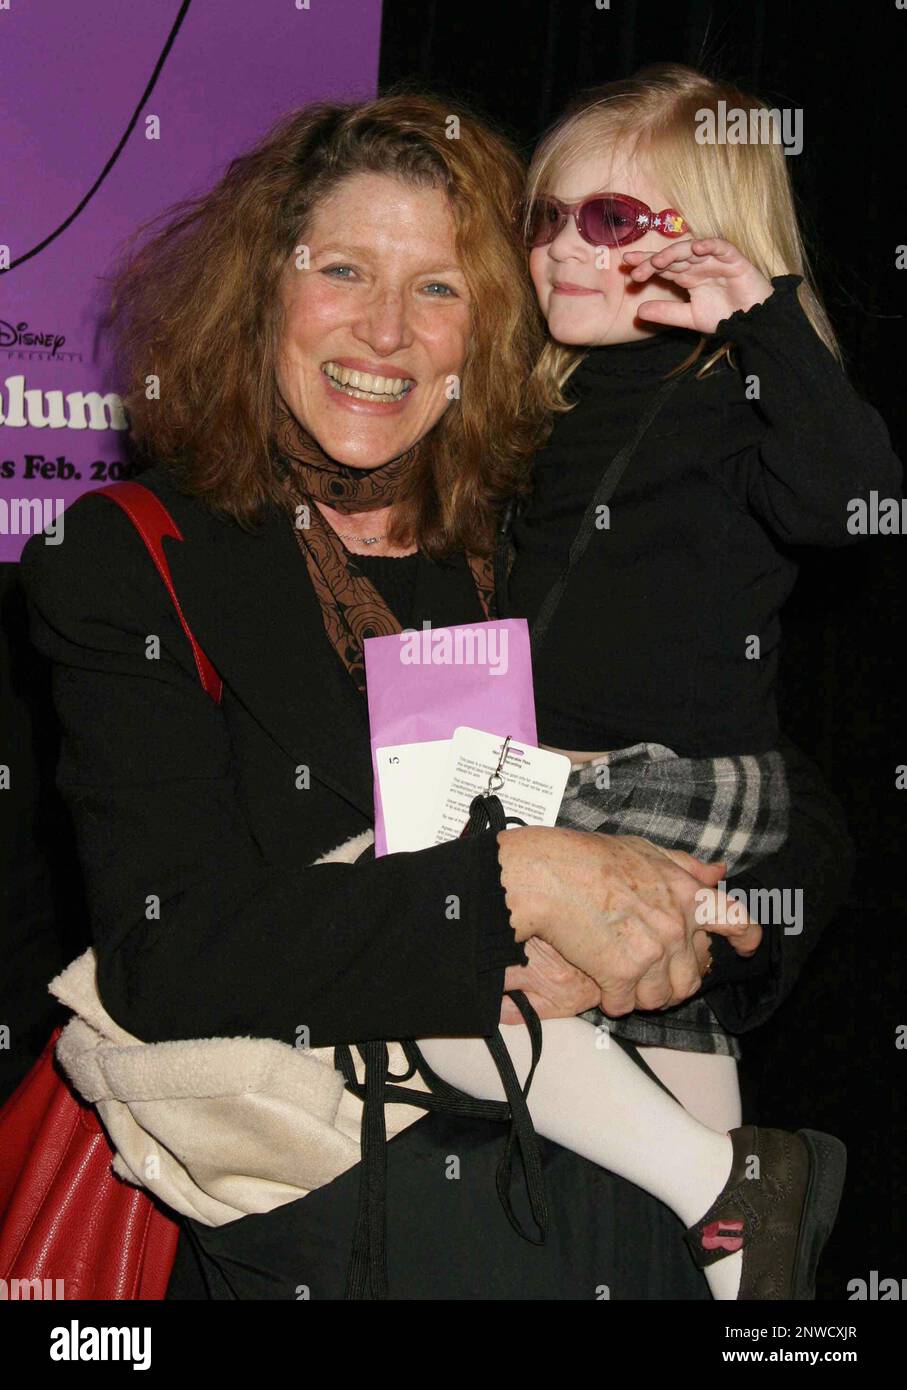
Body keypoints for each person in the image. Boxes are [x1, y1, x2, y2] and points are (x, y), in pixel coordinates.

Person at [19, 90, 851, 1301]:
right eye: (344, 270)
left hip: (616, 1220)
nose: (387, 331)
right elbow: (169, 950)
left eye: (440, 289)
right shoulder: (132, 555)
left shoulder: (527, 521)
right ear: (263, 294)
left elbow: (774, 782)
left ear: (492, 326)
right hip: (360, 1237)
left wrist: (711, 918)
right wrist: (516, 890)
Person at [417, 64, 901, 1299]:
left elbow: (857, 508)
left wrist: (764, 316)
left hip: (673, 786)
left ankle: (727, 1188)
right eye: (547, 214)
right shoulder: (536, 397)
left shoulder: (737, 394)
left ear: (711, 237)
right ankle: (744, 1208)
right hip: (558, 784)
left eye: (616, 222)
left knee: (432, 989)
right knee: (708, 1226)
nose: (567, 251)